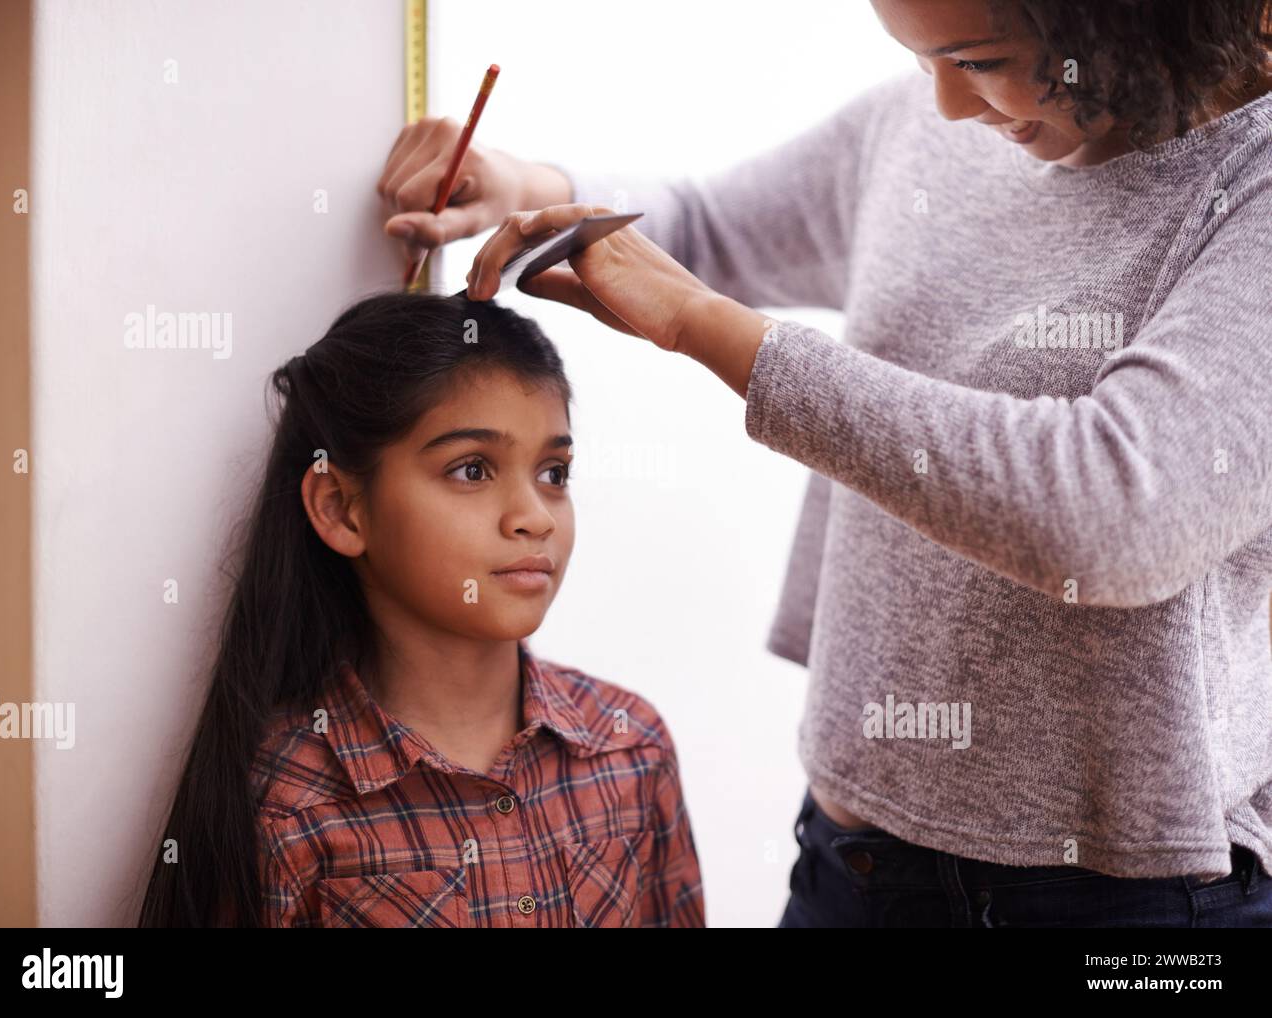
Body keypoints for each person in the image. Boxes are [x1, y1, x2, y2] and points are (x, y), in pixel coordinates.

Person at [379, 0, 1272, 927]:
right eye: (922, 57)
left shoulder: (1252, 188)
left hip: (1135, 908)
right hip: (855, 863)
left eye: (980, 59)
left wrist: (718, 334)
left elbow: (1115, 514)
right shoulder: (916, 125)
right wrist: (522, 184)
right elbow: (705, 227)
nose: (948, 105)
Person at [138, 291, 704, 927]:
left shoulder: (631, 747)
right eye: (471, 470)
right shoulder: (287, 803)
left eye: (554, 473)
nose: (535, 518)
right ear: (342, 508)